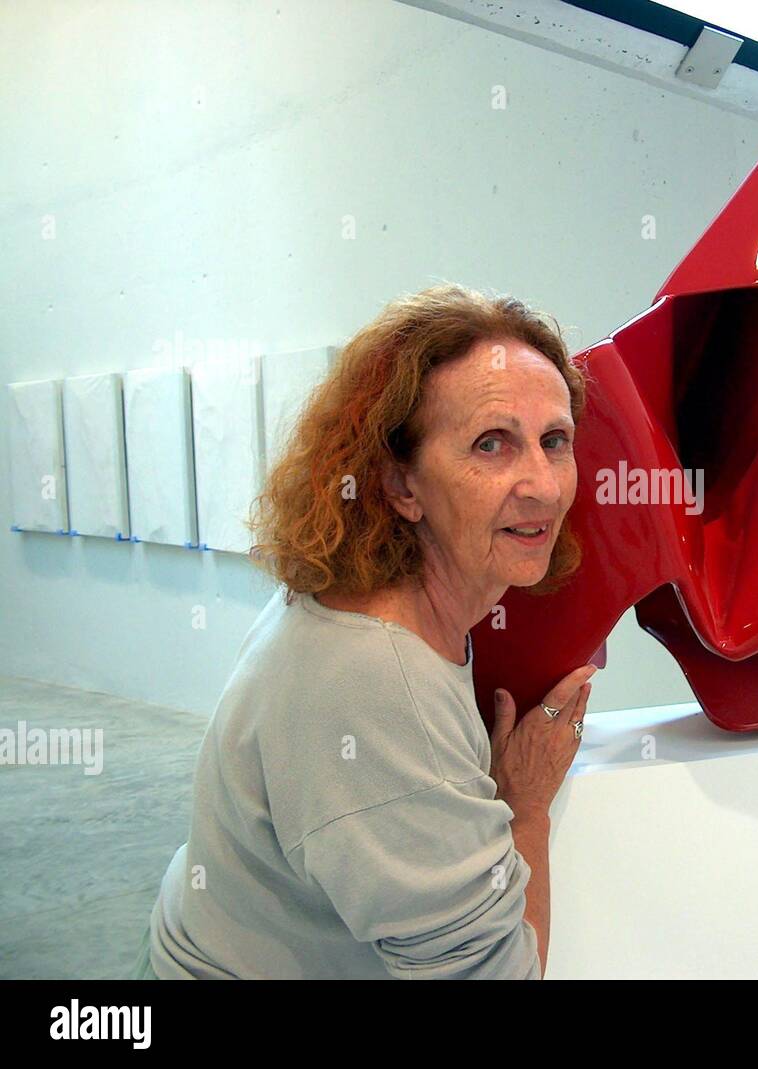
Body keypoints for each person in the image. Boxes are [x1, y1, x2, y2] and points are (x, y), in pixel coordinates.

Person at [134, 283, 596, 979]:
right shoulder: (375, 682)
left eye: (553, 440)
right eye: (492, 443)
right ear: (400, 484)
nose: (544, 484)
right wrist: (526, 808)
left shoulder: (361, 590)